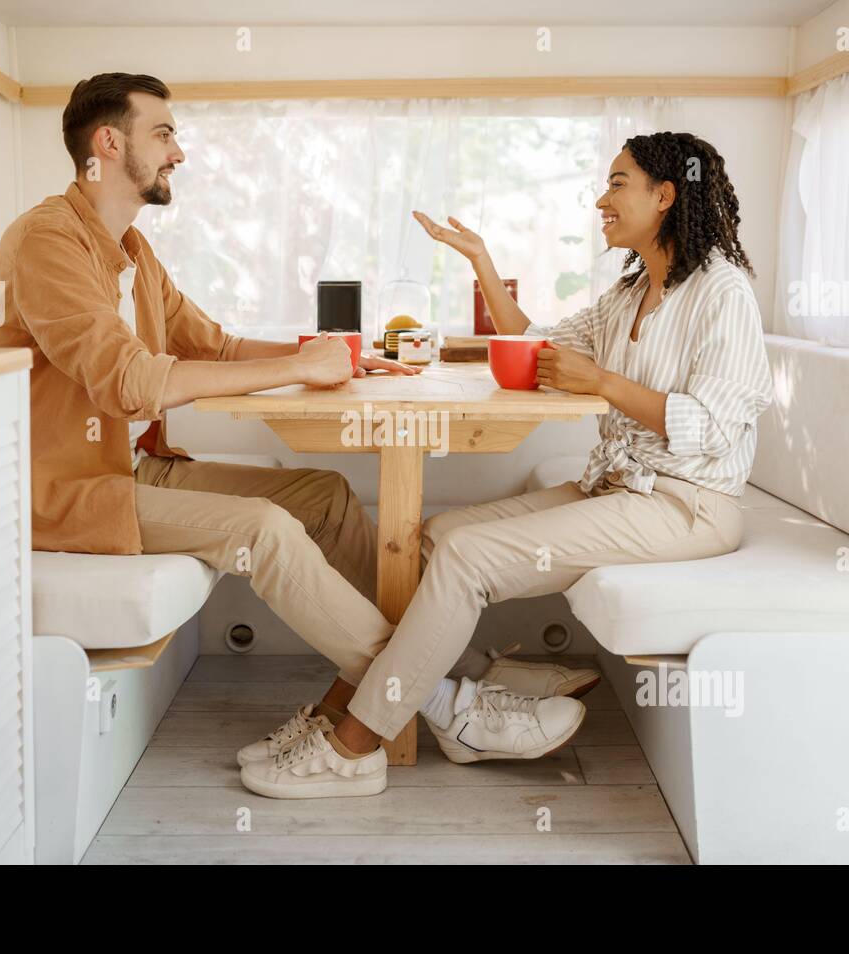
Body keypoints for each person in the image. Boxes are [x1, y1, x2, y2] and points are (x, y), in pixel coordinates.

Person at [0, 73, 598, 798]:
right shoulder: (47, 242)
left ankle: (444, 669)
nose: (181, 151)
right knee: (265, 528)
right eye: (165, 133)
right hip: (68, 493)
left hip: (137, 469)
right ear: (108, 144)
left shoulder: (134, 253)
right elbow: (131, 383)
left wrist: (343, 353)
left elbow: (218, 345)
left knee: (325, 496)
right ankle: (446, 703)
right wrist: (301, 364)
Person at [238, 131, 774, 799]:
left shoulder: (724, 293)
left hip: (686, 504)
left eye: (617, 183)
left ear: (665, 196)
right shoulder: (628, 294)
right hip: (615, 488)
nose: (601, 199)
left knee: (466, 559)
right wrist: (481, 261)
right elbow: (533, 342)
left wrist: (603, 383)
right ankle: (440, 702)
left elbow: (716, 427)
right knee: (435, 538)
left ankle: (352, 744)